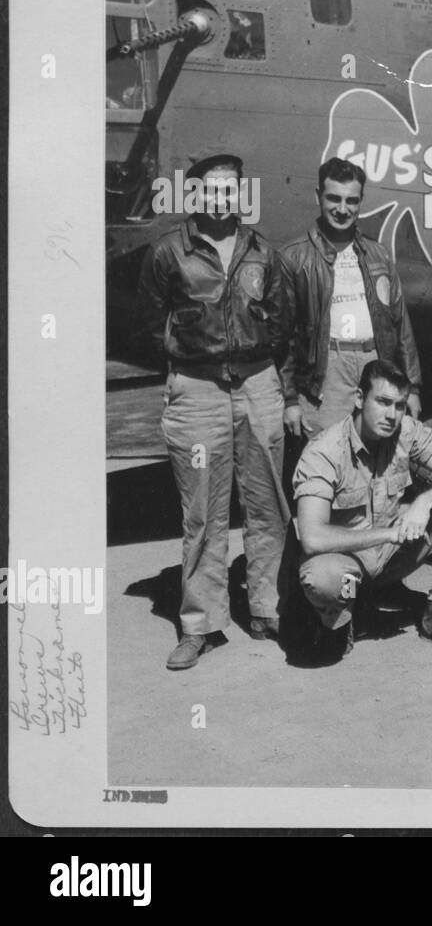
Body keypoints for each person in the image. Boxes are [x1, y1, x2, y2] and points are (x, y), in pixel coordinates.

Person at [134, 153, 290, 670]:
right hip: (198, 391)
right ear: (195, 196)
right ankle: (201, 622)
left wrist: (261, 370)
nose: (221, 199)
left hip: (258, 385)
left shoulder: (262, 252)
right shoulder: (168, 253)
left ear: (241, 195)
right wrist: (190, 365)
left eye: (230, 190)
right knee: (202, 511)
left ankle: (268, 608)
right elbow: (150, 325)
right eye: (211, 190)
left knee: (267, 503)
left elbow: (282, 322)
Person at [292, 359, 432, 661]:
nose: (391, 415)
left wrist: (423, 502)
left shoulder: (405, 431)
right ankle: (346, 616)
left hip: (392, 558)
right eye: (382, 402)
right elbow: (312, 538)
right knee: (324, 579)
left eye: (399, 405)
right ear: (358, 399)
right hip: (350, 567)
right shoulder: (324, 452)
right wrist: (389, 533)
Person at [280, 157, 422, 447]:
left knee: (376, 456)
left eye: (351, 201)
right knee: (327, 455)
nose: (342, 210)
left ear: (361, 202)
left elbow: (401, 327)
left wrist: (414, 388)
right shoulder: (294, 257)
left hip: (374, 362)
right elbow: (284, 338)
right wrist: (290, 398)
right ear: (317, 195)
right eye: (333, 199)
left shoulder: (377, 254)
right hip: (327, 371)